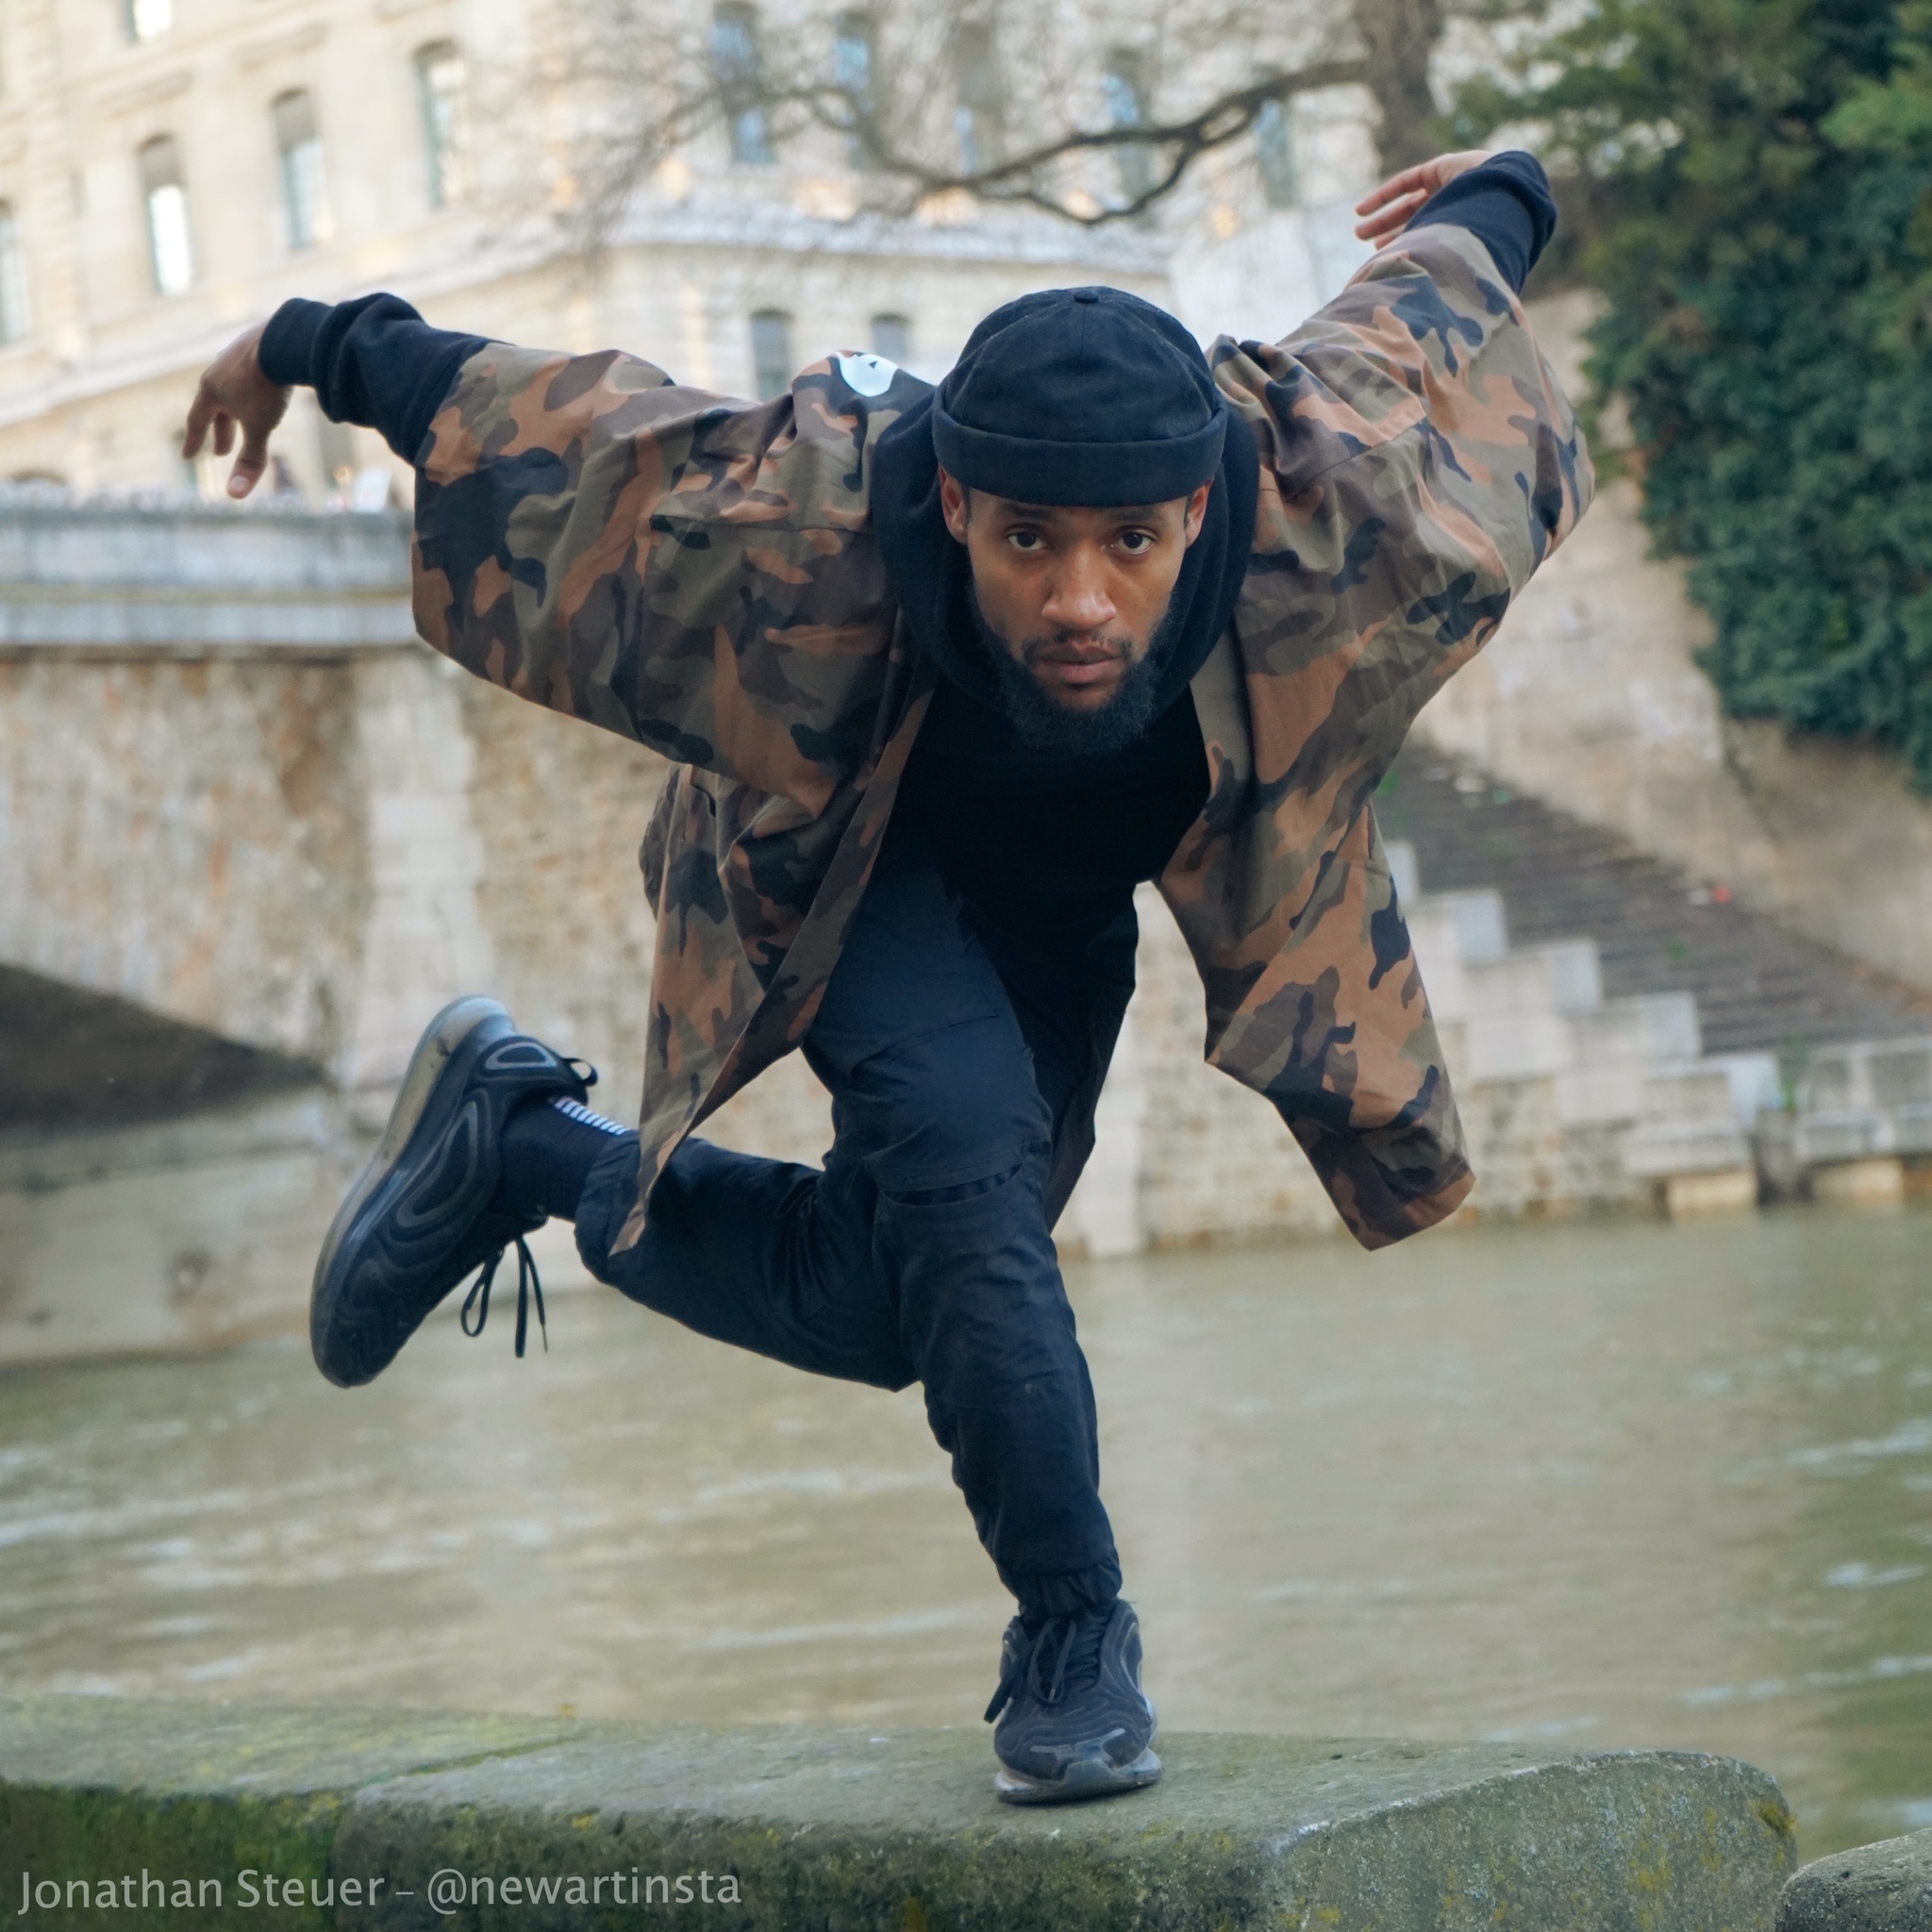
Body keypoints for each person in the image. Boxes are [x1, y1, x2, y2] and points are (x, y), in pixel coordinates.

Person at [184, 148, 1591, 1804]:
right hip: (845, 849)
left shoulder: (1329, 510)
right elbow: (533, 416)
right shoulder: (802, 516)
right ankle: (1074, 1633)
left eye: (1131, 544)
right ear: (952, 506)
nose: (1080, 600)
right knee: (967, 1189)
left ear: (1200, 509)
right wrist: (290, 340)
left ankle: (521, 1148)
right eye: (1028, 544)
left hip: (1058, 915)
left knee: (892, 1302)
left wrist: (1512, 180)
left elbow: (1424, 311)